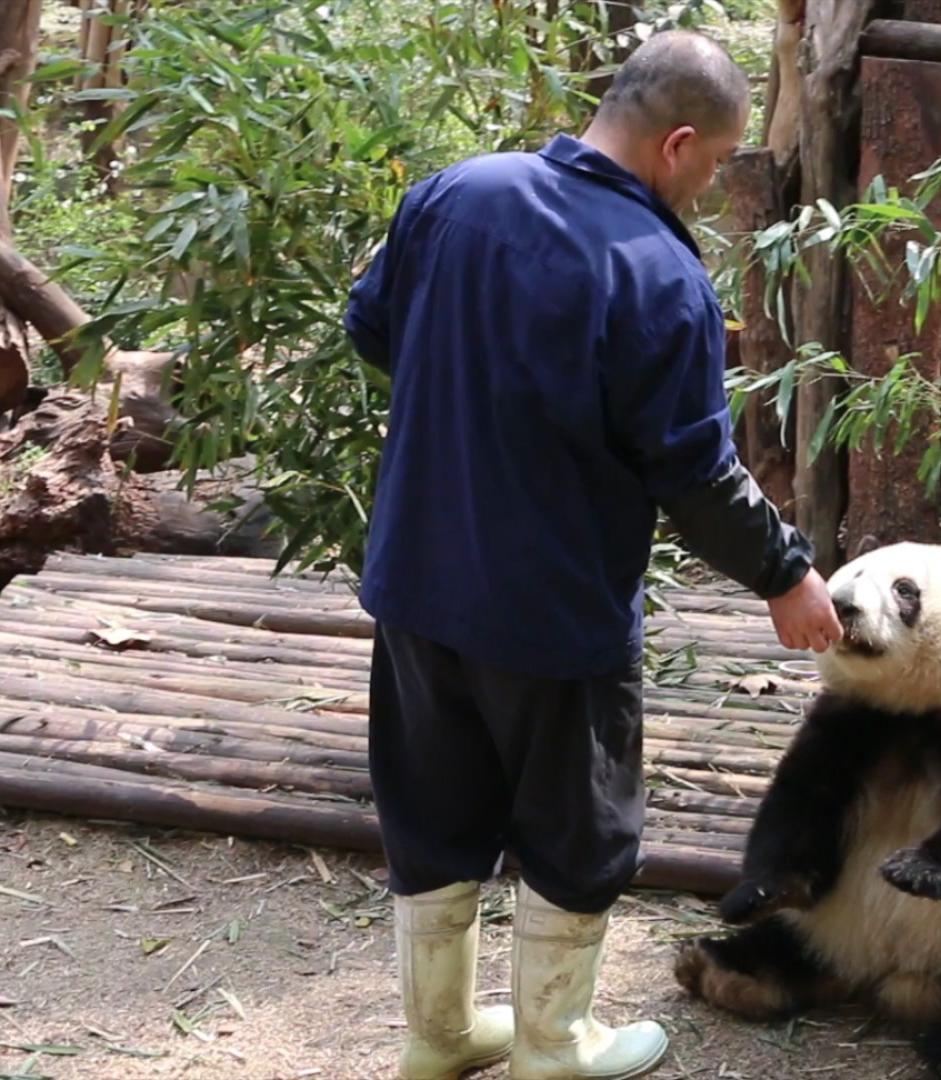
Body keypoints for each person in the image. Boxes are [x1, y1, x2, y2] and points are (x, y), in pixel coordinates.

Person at [342, 27, 843, 1080]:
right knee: (578, 827)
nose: (708, 188)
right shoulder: (659, 272)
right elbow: (694, 474)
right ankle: (553, 1043)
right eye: (714, 164)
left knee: (431, 810)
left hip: (419, 580)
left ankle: (438, 1037)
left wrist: (476, 393)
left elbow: (372, 327)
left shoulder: (455, 192)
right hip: (554, 612)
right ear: (676, 143)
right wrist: (786, 573)